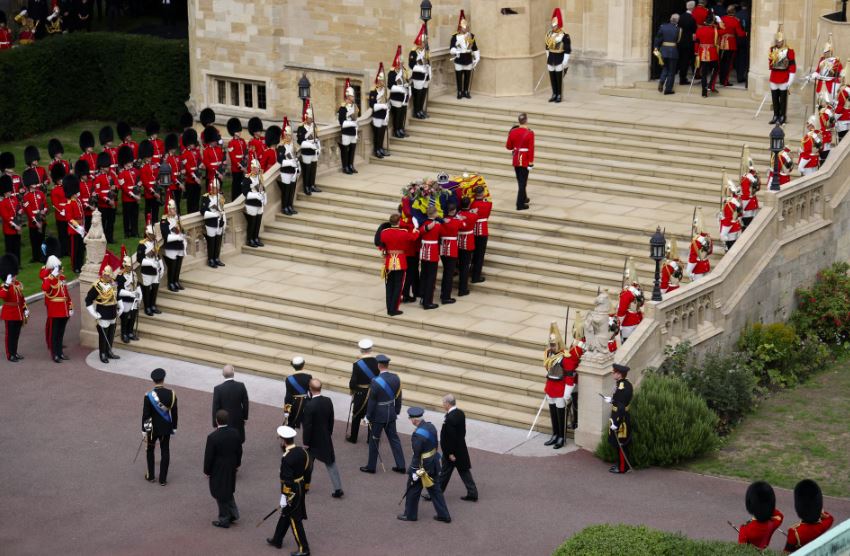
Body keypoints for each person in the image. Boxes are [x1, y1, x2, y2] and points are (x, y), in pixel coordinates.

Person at [398, 407, 451, 523]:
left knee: (412, 490)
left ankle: (410, 515)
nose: (410, 420)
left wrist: (414, 471)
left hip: (421, 467)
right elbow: (435, 446)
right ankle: (444, 515)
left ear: (414, 420)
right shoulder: (431, 427)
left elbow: (417, 455)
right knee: (435, 491)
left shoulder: (417, 435)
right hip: (433, 463)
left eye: (410, 418)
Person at [266, 425, 312, 555]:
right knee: (286, 513)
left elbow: (287, 480)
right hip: (301, 486)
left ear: (283, 440)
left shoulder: (287, 458)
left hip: (292, 491)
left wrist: (284, 496)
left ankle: (304, 549)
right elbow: (308, 470)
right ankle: (277, 539)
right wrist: (306, 486)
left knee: (294, 519)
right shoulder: (303, 452)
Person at [361, 354, 405, 474]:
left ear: (379, 366)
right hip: (391, 413)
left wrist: (367, 417)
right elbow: (399, 396)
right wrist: (397, 411)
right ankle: (401, 465)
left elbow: (372, 402)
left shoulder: (375, 381)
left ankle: (371, 466)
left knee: (374, 440)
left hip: (378, 416)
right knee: (394, 439)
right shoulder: (396, 378)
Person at [302, 378, 344, 498]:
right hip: (325, 438)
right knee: (330, 462)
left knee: (308, 464)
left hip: (312, 440)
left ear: (310, 389)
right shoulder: (328, 400)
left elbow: (307, 426)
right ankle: (338, 488)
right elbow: (331, 419)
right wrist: (328, 433)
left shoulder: (309, 406)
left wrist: (306, 442)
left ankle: (305, 486)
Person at [204, 409, 242, 528]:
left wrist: (207, 471)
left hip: (218, 468)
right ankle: (233, 514)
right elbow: (239, 450)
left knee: (220, 492)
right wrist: (237, 463)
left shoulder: (213, 437)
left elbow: (209, 456)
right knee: (228, 489)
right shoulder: (235, 433)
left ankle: (224, 519)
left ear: (217, 420)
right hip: (231, 465)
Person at [436, 394, 478, 502]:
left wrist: (450, 453)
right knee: (463, 471)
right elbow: (462, 433)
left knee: (445, 472)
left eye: (443, 403)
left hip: (452, 452)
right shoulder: (460, 413)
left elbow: (450, 437)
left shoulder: (450, 418)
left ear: (448, 403)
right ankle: (472, 492)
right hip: (460, 449)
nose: (443, 405)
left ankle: (436, 493)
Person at [379, 213, 420, 316]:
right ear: (399, 222)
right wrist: (416, 230)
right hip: (400, 260)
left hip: (389, 260)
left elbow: (382, 243)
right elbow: (414, 237)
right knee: (398, 285)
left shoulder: (384, 232)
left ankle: (389, 307)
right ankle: (394, 308)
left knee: (389, 285)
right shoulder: (404, 232)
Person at [142, 368, 177, 486]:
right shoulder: (171, 394)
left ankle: (151, 476)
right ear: (163, 378)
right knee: (165, 451)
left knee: (150, 450)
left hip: (152, 430)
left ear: (153, 380)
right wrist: (174, 427)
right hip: (166, 428)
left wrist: (144, 430)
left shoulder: (148, 396)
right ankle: (163, 479)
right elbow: (174, 412)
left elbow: (146, 415)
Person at [86, 259, 121, 363]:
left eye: (109, 275)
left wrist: (120, 307)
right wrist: (94, 313)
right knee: (103, 336)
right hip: (103, 313)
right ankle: (102, 353)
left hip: (113, 313)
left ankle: (109, 351)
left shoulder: (113, 283)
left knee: (111, 334)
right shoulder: (97, 286)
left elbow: (116, 297)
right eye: (106, 275)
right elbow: (88, 300)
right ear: (103, 274)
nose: (108, 277)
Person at [785, 479, 834, 552]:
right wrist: (817, 510)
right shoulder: (826, 523)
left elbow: (786, 553)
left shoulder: (794, 533)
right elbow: (829, 517)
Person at [348, 338, 379, 444]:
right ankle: (370, 439)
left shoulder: (357, 364)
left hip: (360, 393)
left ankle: (353, 438)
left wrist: (353, 391)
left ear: (360, 350)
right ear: (371, 349)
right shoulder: (377, 362)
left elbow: (353, 382)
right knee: (372, 416)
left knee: (356, 415)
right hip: (373, 393)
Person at [603, 363, 633, 474]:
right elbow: (619, 401)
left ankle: (622, 468)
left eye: (614, 372)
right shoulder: (622, 384)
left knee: (621, 444)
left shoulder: (623, 387)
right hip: (618, 416)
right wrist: (611, 400)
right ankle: (621, 464)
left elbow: (621, 408)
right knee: (618, 444)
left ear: (619, 374)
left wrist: (616, 422)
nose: (612, 374)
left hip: (621, 419)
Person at [737, 481, 783, 550]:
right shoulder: (776, 521)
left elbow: (741, 550)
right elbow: (779, 514)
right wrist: (767, 507)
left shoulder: (745, 530)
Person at [212, 365, 249, 444]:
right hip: (238, 419)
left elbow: (215, 407)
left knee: (225, 442)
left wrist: (215, 423)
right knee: (238, 442)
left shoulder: (218, 389)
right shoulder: (241, 386)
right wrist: (245, 417)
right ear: (233, 373)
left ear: (223, 374)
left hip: (224, 421)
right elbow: (245, 403)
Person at [505, 113, 535, 210]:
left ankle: (524, 198)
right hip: (525, 159)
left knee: (520, 180)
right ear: (526, 121)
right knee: (523, 182)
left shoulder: (513, 131)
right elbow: (531, 149)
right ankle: (520, 204)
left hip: (516, 159)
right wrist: (531, 162)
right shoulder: (530, 133)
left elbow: (508, 147)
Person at [0, 254, 26, 362]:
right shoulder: (4, 286)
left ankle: (14, 352)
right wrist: (6, 284)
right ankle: (10, 354)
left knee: (16, 335)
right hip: (9, 313)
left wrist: (25, 309)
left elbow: (21, 299)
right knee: (9, 335)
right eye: (13, 275)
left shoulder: (18, 284)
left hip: (18, 313)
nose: (15, 276)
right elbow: (3, 296)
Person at [768, 26, 796, 125]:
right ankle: (776, 115)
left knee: (783, 99)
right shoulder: (772, 49)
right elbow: (771, 63)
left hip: (784, 77)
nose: (778, 43)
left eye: (779, 41)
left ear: (783, 41)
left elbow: (792, 65)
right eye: (776, 41)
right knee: (774, 98)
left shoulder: (789, 51)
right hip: (774, 76)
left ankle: (783, 116)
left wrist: (790, 80)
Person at [450, 10, 479, 99]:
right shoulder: (454, 36)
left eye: (466, 26)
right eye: (463, 26)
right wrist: (456, 51)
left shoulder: (471, 36)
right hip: (459, 59)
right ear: (460, 27)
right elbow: (451, 48)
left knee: (467, 76)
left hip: (468, 59)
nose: (465, 28)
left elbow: (474, 48)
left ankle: (466, 91)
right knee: (459, 77)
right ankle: (459, 91)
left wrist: (477, 57)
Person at [418, 206, 442, 310]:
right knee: (430, 278)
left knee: (424, 275)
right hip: (432, 253)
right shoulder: (437, 225)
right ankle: (427, 302)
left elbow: (420, 231)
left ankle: (423, 297)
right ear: (434, 214)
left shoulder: (424, 223)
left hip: (424, 252)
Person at [160, 197, 186, 292]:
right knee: (172, 266)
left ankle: (176, 281)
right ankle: (170, 283)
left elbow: (181, 229)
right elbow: (167, 236)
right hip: (170, 247)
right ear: (168, 209)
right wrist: (178, 237)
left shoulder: (177, 218)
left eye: (175, 208)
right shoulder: (164, 221)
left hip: (179, 245)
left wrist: (182, 235)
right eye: (172, 209)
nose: (174, 210)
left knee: (178, 264)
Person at [138, 218, 163, 316]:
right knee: (147, 289)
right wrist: (151, 263)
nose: (154, 236)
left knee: (155, 288)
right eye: (152, 235)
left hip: (156, 270)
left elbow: (157, 254)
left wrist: (160, 265)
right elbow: (140, 259)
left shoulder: (155, 243)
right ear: (148, 234)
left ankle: (153, 305)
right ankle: (147, 307)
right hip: (147, 270)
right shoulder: (142, 245)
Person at [116, 250, 141, 344]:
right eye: (128, 266)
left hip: (134, 300)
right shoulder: (120, 276)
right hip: (125, 300)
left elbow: (137, 286)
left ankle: (130, 332)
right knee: (125, 318)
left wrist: (139, 295)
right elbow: (120, 291)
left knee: (133, 316)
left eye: (131, 266)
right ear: (125, 266)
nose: (130, 267)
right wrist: (131, 294)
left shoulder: (134, 274)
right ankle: (124, 334)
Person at [22, 170, 48, 263]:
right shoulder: (26, 197)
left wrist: (43, 212)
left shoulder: (40, 193)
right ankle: (35, 257)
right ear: (29, 184)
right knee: (34, 241)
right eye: (32, 183)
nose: (34, 184)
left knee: (42, 240)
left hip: (42, 219)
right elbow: (29, 212)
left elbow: (45, 205)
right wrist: (36, 222)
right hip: (33, 223)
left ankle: (43, 256)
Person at [545, 8, 570, 102]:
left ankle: (559, 94)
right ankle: (554, 93)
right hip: (551, 57)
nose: (553, 27)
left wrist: (565, 61)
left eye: (555, 25)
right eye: (553, 25)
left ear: (559, 25)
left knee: (558, 78)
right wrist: (548, 57)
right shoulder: (549, 34)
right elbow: (547, 47)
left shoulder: (564, 36)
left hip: (559, 58)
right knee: (552, 77)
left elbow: (567, 50)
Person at [200, 178, 227, 268]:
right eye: (213, 188)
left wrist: (224, 221)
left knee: (218, 241)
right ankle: (210, 259)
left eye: (216, 188)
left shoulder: (220, 197)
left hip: (219, 223)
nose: (214, 190)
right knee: (211, 242)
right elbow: (203, 211)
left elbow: (223, 210)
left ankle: (217, 258)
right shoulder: (205, 197)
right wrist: (214, 214)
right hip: (211, 223)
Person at [296, 100, 321, 196]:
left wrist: (318, 148)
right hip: (306, 151)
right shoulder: (301, 127)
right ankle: (306, 186)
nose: (311, 119)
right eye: (310, 118)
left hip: (314, 151)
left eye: (312, 118)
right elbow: (300, 141)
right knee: (307, 170)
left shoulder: (314, 126)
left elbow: (316, 137)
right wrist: (310, 145)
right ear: (306, 117)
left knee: (313, 168)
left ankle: (312, 185)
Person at [63, 174, 86, 274]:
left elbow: (82, 215)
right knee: (74, 250)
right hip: (74, 229)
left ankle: (81, 264)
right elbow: (69, 219)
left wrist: (83, 226)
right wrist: (78, 227)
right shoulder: (69, 204)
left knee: (81, 248)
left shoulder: (78, 201)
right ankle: (75, 266)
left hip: (81, 227)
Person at [617, 258, 644, 342]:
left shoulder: (626, 293)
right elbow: (641, 304)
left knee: (626, 343)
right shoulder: (638, 289)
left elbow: (622, 311)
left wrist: (619, 322)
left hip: (628, 322)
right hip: (638, 317)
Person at [439, 202, 461, 304]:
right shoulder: (456, 221)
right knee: (449, 273)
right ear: (453, 211)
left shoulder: (441, 221)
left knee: (446, 272)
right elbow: (464, 225)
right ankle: (446, 297)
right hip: (451, 248)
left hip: (443, 248)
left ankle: (443, 293)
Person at [93, 152, 117, 244]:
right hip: (103, 204)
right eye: (107, 167)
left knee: (111, 222)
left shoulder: (112, 174)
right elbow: (98, 192)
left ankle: (110, 238)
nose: (109, 168)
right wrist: (107, 200)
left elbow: (117, 184)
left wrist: (115, 187)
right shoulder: (98, 178)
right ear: (102, 167)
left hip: (112, 201)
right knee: (102, 223)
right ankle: (102, 238)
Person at [242, 158, 267, 248]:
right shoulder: (247, 178)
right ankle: (250, 239)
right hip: (251, 204)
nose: (257, 170)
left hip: (259, 204)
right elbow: (245, 192)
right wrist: (256, 195)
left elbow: (263, 188)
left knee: (258, 222)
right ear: (252, 168)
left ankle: (256, 238)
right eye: (256, 168)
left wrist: (264, 197)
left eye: (258, 168)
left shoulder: (260, 177)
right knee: (252, 223)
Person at [654, 14, 681, 95]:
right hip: (673, 51)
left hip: (663, 50)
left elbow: (658, 38)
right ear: (677, 21)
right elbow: (678, 41)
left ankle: (662, 81)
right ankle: (668, 89)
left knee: (665, 68)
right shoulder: (679, 29)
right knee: (671, 71)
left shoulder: (663, 27)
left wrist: (656, 47)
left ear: (670, 19)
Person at [718, 6, 745, 87]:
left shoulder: (722, 18)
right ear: (734, 12)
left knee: (722, 63)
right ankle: (725, 81)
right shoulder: (735, 21)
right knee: (728, 64)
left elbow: (719, 30)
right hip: (730, 44)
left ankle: (721, 79)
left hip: (721, 42)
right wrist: (746, 33)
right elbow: (740, 34)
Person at [369, 63, 392, 158]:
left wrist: (387, 109)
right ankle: (376, 150)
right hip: (377, 116)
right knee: (377, 134)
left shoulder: (385, 91)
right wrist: (382, 106)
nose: (383, 83)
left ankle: (381, 148)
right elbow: (372, 105)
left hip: (384, 115)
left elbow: (388, 102)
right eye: (381, 81)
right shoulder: (373, 92)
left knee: (382, 133)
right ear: (378, 81)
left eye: (383, 81)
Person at [694, 11, 719, 97]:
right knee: (715, 69)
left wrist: (696, 51)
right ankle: (710, 85)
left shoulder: (699, 30)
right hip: (712, 52)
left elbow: (697, 42)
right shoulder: (714, 30)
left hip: (701, 52)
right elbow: (717, 42)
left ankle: (704, 92)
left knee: (704, 73)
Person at [118, 145, 141, 238]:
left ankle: (134, 231)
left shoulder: (135, 171)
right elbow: (124, 187)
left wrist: (138, 191)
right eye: (128, 162)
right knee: (127, 217)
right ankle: (127, 232)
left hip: (135, 197)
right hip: (127, 198)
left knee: (135, 216)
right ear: (124, 163)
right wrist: (134, 195)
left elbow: (139, 181)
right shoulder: (121, 173)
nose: (130, 163)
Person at [278, 116, 300, 215]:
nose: (289, 137)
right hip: (285, 171)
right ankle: (284, 207)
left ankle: (290, 206)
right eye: (287, 135)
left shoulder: (293, 146)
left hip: (293, 171)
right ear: (284, 136)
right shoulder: (281, 147)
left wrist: (297, 167)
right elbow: (280, 160)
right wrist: (290, 163)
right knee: (286, 190)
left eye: (290, 135)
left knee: (292, 190)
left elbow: (296, 158)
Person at [456, 197, 477, 297]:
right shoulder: (472, 215)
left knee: (460, 265)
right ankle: (462, 289)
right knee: (465, 267)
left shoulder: (458, 215)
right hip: (468, 241)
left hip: (458, 241)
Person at [409, 23, 431, 119]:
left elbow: (428, 62)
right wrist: (421, 69)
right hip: (418, 77)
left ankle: (421, 110)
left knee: (423, 94)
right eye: (424, 42)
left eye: (425, 42)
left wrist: (428, 72)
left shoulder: (426, 52)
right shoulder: (413, 52)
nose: (425, 44)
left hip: (426, 76)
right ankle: (416, 111)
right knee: (417, 95)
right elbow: (411, 65)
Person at [388, 45, 411, 138]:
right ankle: (396, 130)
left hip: (404, 97)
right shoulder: (392, 73)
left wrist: (407, 89)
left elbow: (407, 81)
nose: (402, 65)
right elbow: (390, 86)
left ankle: (401, 129)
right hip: (396, 98)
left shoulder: (404, 71)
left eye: (402, 63)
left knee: (402, 114)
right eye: (400, 63)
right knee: (397, 116)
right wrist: (401, 89)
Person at [338, 79, 360, 175]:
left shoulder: (355, 107)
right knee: (345, 150)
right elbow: (342, 122)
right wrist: (352, 124)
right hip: (346, 132)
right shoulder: (342, 108)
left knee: (352, 149)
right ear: (348, 96)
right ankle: (345, 166)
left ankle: (351, 165)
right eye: (352, 96)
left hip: (353, 132)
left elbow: (356, 118)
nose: (353, 97)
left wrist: (355, 125)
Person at [470, 186, 491, 284]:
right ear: (482, 193)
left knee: (473, 253)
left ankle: (472, 271)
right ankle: (476, 276)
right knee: (480, 255)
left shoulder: (471, 204)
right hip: (482, 231)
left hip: (473, 230)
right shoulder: (487, 204)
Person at [284, 356, 312, 428]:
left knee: (291, 423)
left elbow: (288, 396)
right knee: (307, 424)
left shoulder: (289, 379)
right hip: (306, 403)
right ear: (303, 365)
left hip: (294, 403)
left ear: (293, 366)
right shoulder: (308, 377)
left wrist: (286, 411)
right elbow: (310, 392)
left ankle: (290, 438)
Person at [812, 37, 842, 104]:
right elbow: (818, 70)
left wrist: (833, 73)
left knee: (828, 103)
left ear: (830, 52)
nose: (825, 54)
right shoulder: (822, 60)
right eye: (824, 52)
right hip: (821, 83)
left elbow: (840, 74)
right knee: (819, 102)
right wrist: (815, 74)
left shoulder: (836, 61)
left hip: (830, 84)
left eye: (827, 52)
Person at [686, 207, 713, 280]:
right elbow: (710, 251)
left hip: (698, 268)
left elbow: (693, 258)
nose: (694, 228)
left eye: (695, 227)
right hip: (706, 265)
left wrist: (688, 271)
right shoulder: (708, 238)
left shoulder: (696, 241)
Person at [0, 175, 22, 264]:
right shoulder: (2, 203)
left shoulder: (14, 199)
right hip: (9, 229)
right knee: (10, 248)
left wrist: (20, 211)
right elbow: (6, 218)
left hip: (17, 227)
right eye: (8, 191)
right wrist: (15, 226)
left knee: (17, 247)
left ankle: (18, 263)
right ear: (4, 192)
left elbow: (18, 208)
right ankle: (10, 264)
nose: (9, 192)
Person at [181, 129, 203, 213]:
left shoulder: (196, 152)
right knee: (190, 200)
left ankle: (196, 212)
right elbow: (188, 168)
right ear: (189, 144)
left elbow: (200, 160)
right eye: (193, 143)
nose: (194, 144)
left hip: (197, 176)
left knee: (197, 198)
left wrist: (201, 166)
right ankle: (190, 214)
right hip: (190, 180)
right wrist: (195, 177)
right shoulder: (184, 154)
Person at [226, 117, 246, 203]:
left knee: (242, 183)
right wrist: (240, 166)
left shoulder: (242, 141)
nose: (240, 132)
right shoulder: (231, 143)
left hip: (243, 165)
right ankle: (235, 200)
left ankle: (241, 198)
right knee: (236, 184)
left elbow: (245, 152)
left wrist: (245, 163)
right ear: (234, 132)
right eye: (238, 131)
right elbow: (233, 157)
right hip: (236, 168)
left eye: (240, 130)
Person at [719, 176, 742, 251]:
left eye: (726, 191)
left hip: (730, 227)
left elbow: (728, 218)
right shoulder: (735, 201)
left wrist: (722, 218)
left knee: (729, 247)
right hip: (736, 225)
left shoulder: (729, 203)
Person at [739, 146, 760, 229]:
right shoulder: (753, 176)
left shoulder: (746, 178)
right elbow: (757, 187)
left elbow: (746, 192)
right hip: (753, 201)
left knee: (747, 222)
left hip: (748, 202)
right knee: (751, 221)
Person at [678, 2, 697, 85]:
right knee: (687, 61)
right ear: (693, 8)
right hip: (689, 42)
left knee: (683, 60)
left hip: (681, 41)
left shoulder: (681, 16)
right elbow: (694, 30)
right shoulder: (692, 18)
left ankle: (682, 77)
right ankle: (683, 79)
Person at [202, 126, 225, 194]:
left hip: (219, 171)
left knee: (219, 190)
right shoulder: (206, 151)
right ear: (210, 141)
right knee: (212, 191)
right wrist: (217, 173)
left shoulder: (218, 149)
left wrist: (222, 171)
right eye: (215, 141)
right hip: (212, 174)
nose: (216, 142)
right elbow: (208, 165)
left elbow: (221, 160)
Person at [817, 93, 836, 165]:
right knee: (824, 150)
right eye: (825, 102)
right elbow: (826, 124)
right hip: (825, 132)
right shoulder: (823, 111)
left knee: (828, 149)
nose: (826, 103)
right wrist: (831, 118)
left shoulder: (828, 109)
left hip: (828, 132)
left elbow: (833, 122)